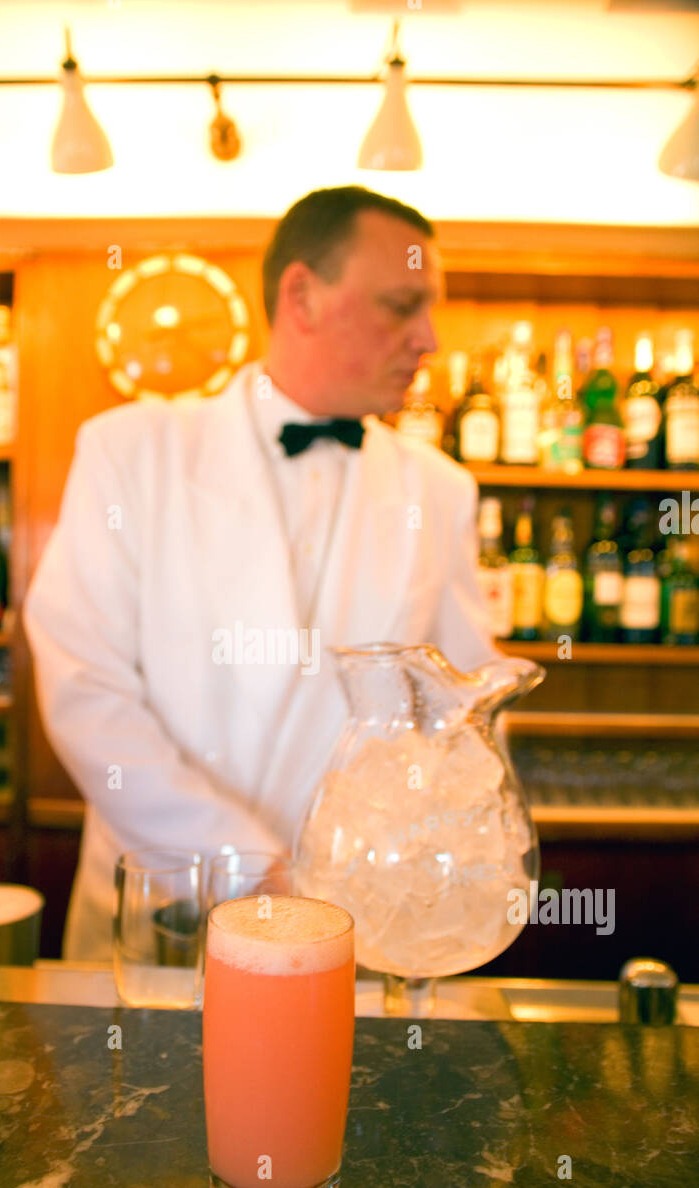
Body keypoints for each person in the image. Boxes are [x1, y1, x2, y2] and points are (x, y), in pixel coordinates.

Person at [24, 185, 496, 961]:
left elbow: (456, 715)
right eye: (402, 305)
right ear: (301, 295)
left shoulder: (438, 491)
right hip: (162, 907)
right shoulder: (131, 451)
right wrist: (252, 872)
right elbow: (84, 690)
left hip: (348, 925)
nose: (430, 339)